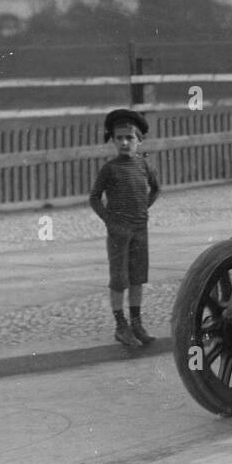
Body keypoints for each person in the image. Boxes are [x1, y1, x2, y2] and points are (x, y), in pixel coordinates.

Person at [89, 108, 160, 351]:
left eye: (130, 138)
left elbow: (156, 189)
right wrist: (109, 220)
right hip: (119, 232)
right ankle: (121, 326)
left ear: (139, 140)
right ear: (113, 141)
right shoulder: (110, 169)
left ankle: (137, 323)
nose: (124, 143)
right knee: (120, 278)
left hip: (140, 228)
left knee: (138, 277)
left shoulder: (144, 166)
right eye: (119, 138)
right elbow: (95, 197)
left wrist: (144, 208)